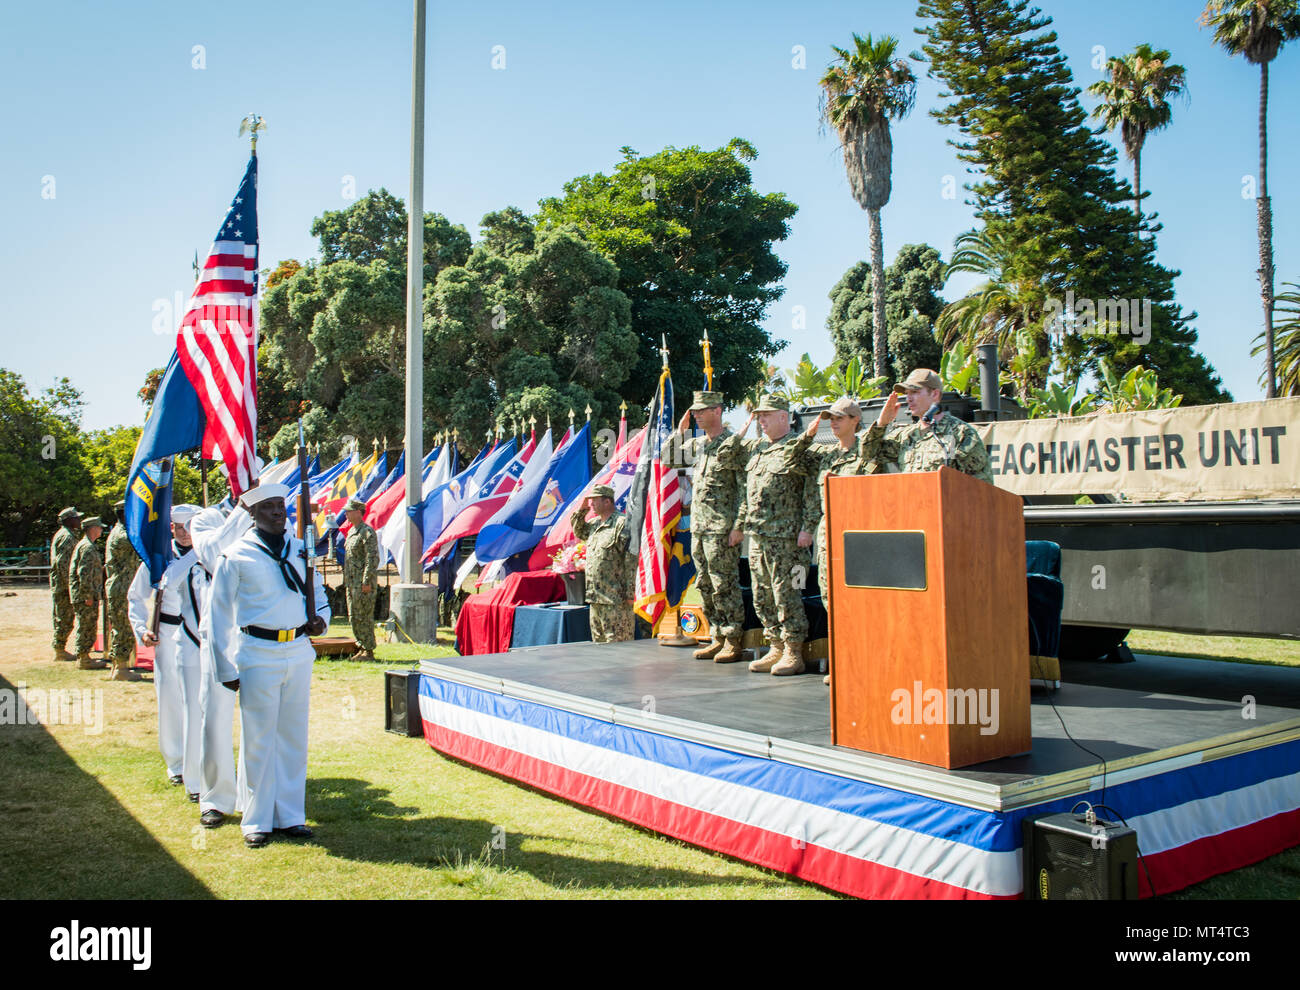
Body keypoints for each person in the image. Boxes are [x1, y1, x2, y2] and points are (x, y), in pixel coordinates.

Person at [208, 484, 329, 848]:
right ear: (253, 513)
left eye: (282, 506)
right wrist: (225, 668)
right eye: (270, 507)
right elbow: (218, 617)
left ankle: (290, 815)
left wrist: (321, 618)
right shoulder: (236, 556)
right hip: (257, 651)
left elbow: (319, 595)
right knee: (259, 739)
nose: (279, 512)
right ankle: (256, 819)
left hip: (297, 649)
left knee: (292, 736)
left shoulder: (301, 551)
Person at [739, 394, 821, 677]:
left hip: (789, 540)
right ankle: (775, 644)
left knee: (787, 593)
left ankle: (793, 650)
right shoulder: (759, 450)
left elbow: (812, 491)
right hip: (760, 536)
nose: (761, 420)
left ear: (784, 417)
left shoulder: (799, 448)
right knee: (762, 594)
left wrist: (808, 528)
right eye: (759, 416)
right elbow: (747, 492)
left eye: (767, 415)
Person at [128, 504, 204, 794]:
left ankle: (201, 760)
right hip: (168, 632)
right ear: (171, 528)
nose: (184, 534)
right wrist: (142, 629)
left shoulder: (206, 554)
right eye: (179, 528)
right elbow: (135, 597)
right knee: (171, 700)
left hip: (199, 635)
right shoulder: (158, 558)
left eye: (189, 528)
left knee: (200, 700)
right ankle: (176, 763)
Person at [798, 397, 870, 685]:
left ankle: (861, 659)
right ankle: (841, 660)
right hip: (829, 537)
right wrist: (810, 433)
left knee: (858, 601)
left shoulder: (868, 453)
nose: (834, 422)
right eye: (831, 418)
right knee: (831, 601)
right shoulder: (826, 456)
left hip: (858, 537)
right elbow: (796, 457)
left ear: (855, 419)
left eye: (840, 417)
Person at [675, 392, 751, 663]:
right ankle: (716, 635)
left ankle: (733, 639)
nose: (696, 415)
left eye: (701, 411)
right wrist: (681, 431)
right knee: (705, 584)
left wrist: (739, 525)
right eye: (694, 411)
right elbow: (667, 456)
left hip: (722, 528)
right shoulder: (698, 445)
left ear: (717, 411)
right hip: (699, 526)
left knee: (724, 585)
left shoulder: (733, 444)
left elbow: (745, 487)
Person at [858, 368, 993, 481]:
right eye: (907, 393)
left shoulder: (961, 433)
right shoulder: (905, 436)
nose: (908, 398)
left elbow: (981, 483)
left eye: (915, 392)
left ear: (934, 394)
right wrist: (882, 423)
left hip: (946, 509)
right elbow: (867, 454)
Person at [569, 484, 636, 643]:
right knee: (599, 649)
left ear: (607, 502)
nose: (591, 504)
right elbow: (578, 531)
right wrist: (582, 509)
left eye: (594, 500)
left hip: (616, 600)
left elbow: (631, 560)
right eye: (590, 501)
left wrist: (630, 593)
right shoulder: (594, 524)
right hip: (596, 599)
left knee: (619, 647)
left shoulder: (622, 523)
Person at [68, 517, 110, 672]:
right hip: (85, 594)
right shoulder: (87, 547)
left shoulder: (87, 545)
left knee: (87, 624)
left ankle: (83, 656)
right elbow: (84, 573)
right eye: (99, 527)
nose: (101, 530)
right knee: (86, 625)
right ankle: (83, 658)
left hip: (87, 593)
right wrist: (87, 595)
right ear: (92, 528)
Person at [105, 499, 140, 680]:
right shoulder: (123, 535)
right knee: (123, 627)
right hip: (121, 587)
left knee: (122, 626)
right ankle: (121, 669)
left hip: (122, 586)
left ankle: (120, 665)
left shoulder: (121, 532)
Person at [342, 498, 379, 660]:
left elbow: (372, 558)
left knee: (364, 615)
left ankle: (368, 649)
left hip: (362, 583)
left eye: (349, 511)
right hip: (351, 582)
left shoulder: (367, 532)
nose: (346, 514)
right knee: (354, 615)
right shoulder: (352, 532)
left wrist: (366, 581)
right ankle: (361, 646)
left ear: (358, 512)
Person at [49, 506, 82, 661]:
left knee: (62, 616)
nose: (79, 520)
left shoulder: (64, 534)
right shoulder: (67, 537)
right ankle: (60, 649)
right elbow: (64, 565)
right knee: (64, 616)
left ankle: (59, 647)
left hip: (61, 584)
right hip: (64, 585)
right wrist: (71, 586)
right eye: (76, 518)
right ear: (69, 520)